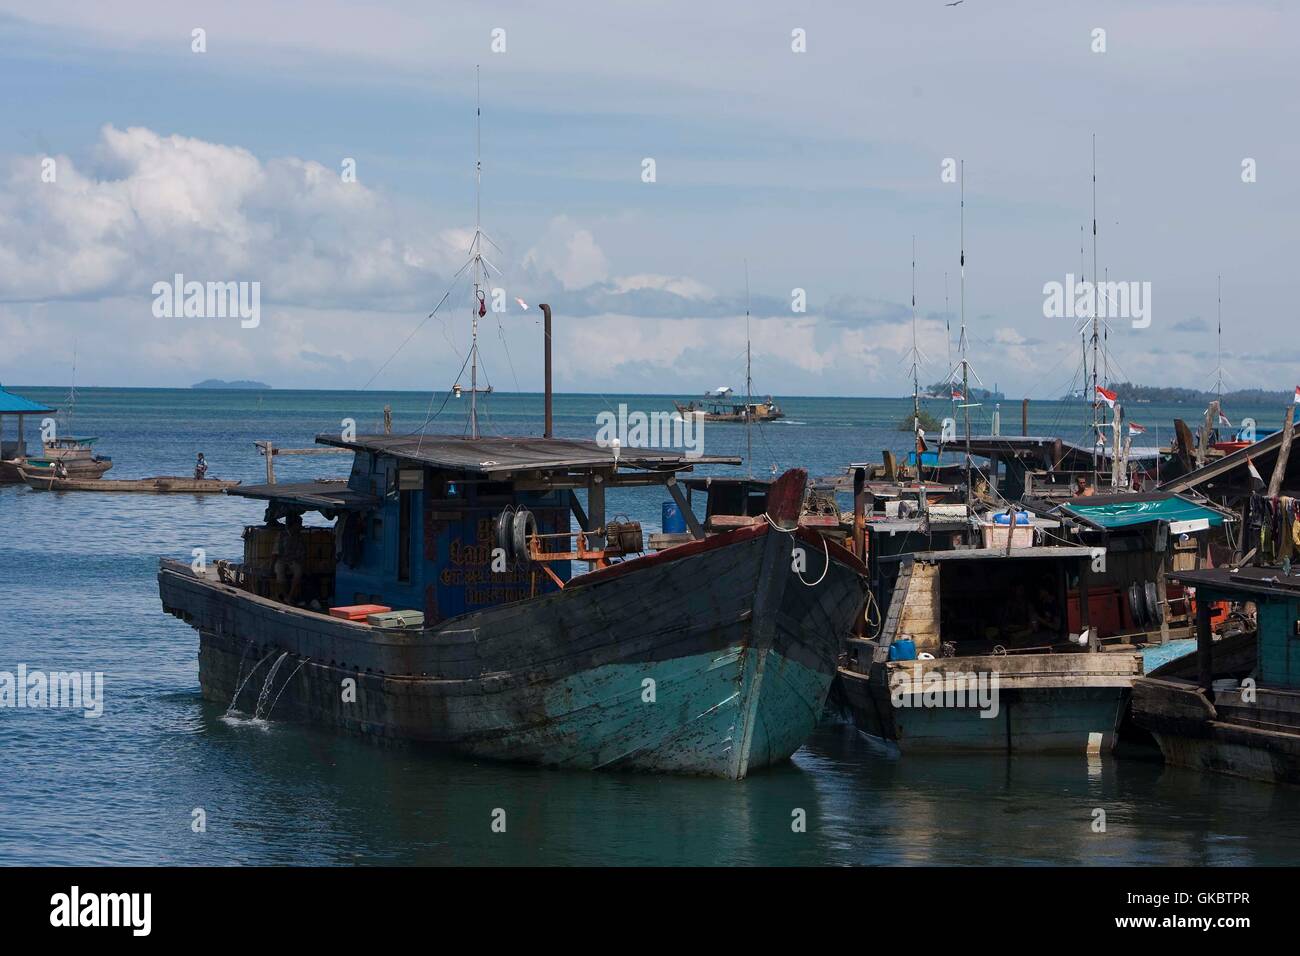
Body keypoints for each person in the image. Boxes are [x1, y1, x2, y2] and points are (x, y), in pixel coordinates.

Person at [273, 512, 307, 605]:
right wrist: (271, 565)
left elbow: (302, 552)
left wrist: (300, 561)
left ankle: (290, 596)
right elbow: (275, 552)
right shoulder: (282, 535)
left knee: (298, 571)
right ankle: (284, 595)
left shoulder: (299, 536)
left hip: (293, 560)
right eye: (299, 524)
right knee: (279, 571)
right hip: (281, 559)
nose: (300, 526)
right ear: (294, 525)